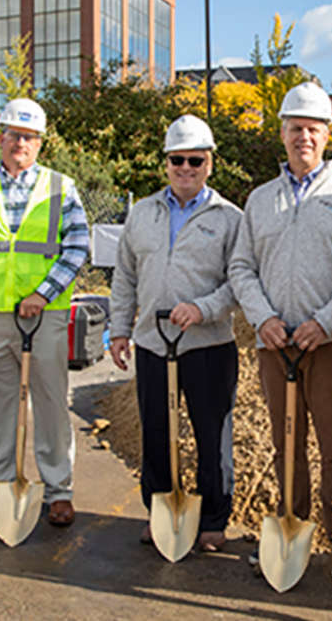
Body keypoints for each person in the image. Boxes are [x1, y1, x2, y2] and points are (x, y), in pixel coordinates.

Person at [228, 81, 332, 584]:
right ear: (283, 133)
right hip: (274, 345)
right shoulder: (261, 199)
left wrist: (327, 321)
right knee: (284, 440)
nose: (303, 137)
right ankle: (292, 523)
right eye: (295, 128)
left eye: (313, 129)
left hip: (329, 344)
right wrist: (262, 318)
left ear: (327, 134)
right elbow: (241, 267)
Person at [0, 98, 89, 528]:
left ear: (40, 143)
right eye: (12, 135)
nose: (19, 143)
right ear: (1, 138)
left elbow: (77, 246)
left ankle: (59, 491)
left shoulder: (62, 188)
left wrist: (43, 294)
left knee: (50, 403)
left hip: (43, 315)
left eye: (27, 137)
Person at [108, 114, 242, 552]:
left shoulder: (229, 218)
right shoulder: (143, 213)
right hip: (151, 342)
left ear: (210, 163)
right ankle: (160, 510)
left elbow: (239, 281)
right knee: (157, 433)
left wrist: (203, 309)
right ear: (166, 163)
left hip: (208, 345)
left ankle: (213, 519)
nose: (186, 168)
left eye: (195, 161)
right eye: (177, 160)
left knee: (211, 434)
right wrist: (119, 329)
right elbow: (125, 275)